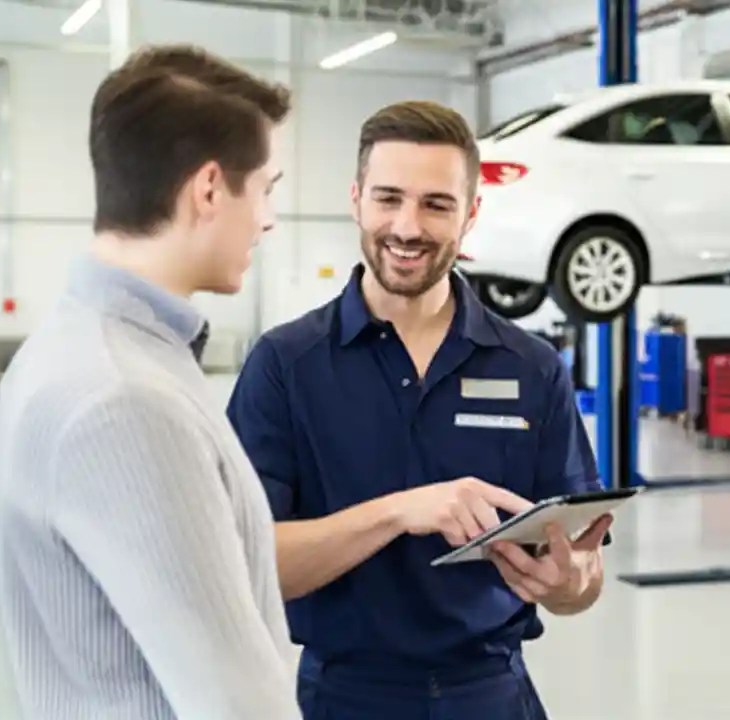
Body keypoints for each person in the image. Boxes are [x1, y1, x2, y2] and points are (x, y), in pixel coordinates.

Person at [227, 100, 612, 719]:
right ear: (355, 199)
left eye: (436, 204)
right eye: (388, 198)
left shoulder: (531, 368)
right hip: (345, 697)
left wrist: (571, 586)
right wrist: (402, 511)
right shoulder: (285, 366)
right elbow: (246, 564)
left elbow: (581, 571)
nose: (407, 227)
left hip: (492, 692)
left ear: (471, 215)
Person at [0, 45, 302, 720]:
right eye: (266, 188)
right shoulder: (123, 399)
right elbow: (236, 703)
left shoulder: (66, 353)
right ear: (210, 188)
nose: (269, 218)